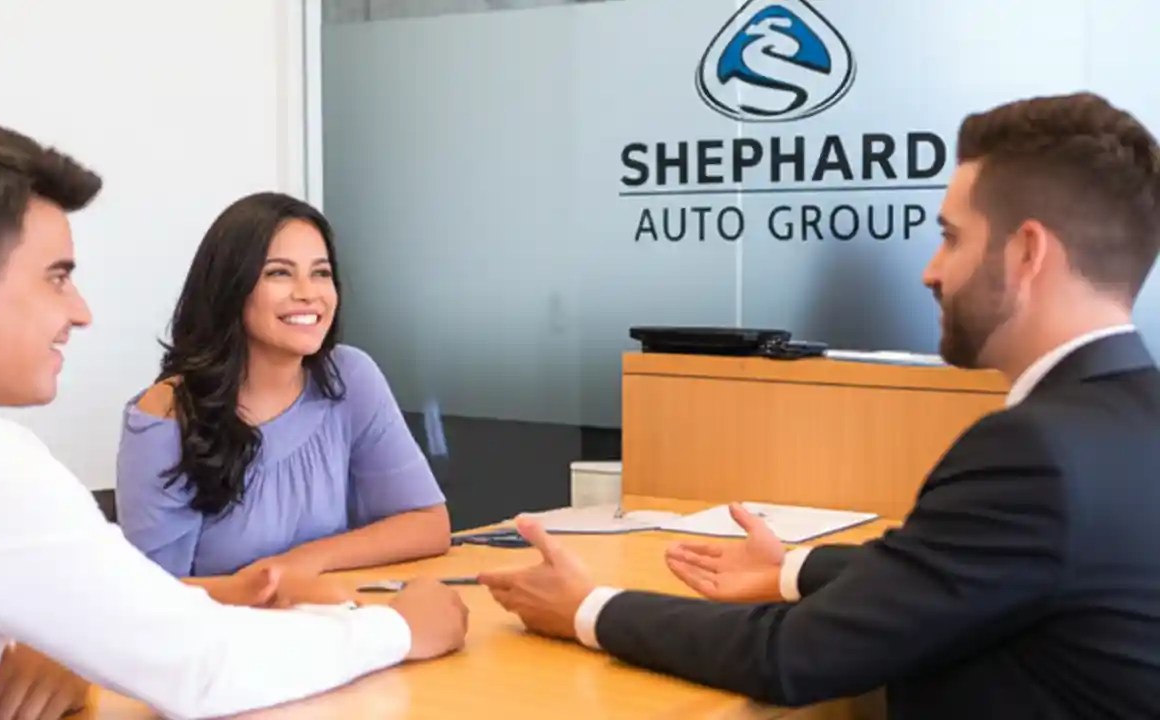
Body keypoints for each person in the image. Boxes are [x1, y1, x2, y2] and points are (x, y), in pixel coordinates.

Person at [478, 91, 1160, 719]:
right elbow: (963, 569)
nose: (931, 269)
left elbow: (795, 655)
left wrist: (588, 608)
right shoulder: (1129, 420)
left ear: (1025, 253)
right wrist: (790, 569)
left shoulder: (1033, 452)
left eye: (950, 236)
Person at [0, 117, 468, 720]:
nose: (79, 312)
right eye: (57, 277)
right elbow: (199, 667)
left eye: (320, 272)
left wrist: (71, 646)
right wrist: (397, 628)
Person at [114, 192, 451, 603]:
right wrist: (262, 589)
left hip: (336, 630)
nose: (308, 293)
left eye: (321, 273)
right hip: (221, 649)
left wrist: (305, 561)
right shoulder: (166, 415)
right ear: (231, 288)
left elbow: (428, 523)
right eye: (279, 273)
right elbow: (146, 598)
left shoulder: (349, 377)